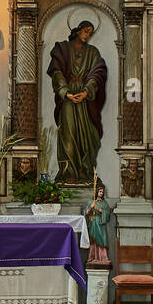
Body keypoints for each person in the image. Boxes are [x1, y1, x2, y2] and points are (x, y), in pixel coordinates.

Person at [48, 19, 108, 183]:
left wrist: (86, 91)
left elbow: (98, 72)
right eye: (86, 31)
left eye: (90, 33)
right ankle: (69, 173)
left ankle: (85, 172)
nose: (88, 35)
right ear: (78, 30)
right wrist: (65, 92)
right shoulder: (62, 48)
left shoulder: (93, 52)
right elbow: (56, 71)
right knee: (69, 133)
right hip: (67, 99)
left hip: (85, 100)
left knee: (89, 135)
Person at [84, 178, 111, 263]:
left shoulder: (104, 203)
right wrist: (91, 207)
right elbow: (86, 213)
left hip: (100, 223)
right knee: (93, 240)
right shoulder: (91, 202)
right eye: (100, 192)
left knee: (101, 239)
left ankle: (103, 257)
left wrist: (99, 209)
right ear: (96, 192)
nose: (101, 193)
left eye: (102, 192)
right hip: (93, 222)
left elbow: (107, 213)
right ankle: (92, 257)